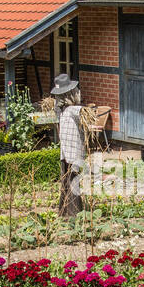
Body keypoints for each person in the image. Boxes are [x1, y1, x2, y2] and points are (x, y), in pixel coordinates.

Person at [51, 72, 85, 218]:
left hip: (66, 153)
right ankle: (72, 212)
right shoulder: (72, 110)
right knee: (71, 183)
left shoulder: (63, 111)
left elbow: (54, 105)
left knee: (67, 182)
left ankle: (65, 211)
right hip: (71, 153)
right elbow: (84, 111)